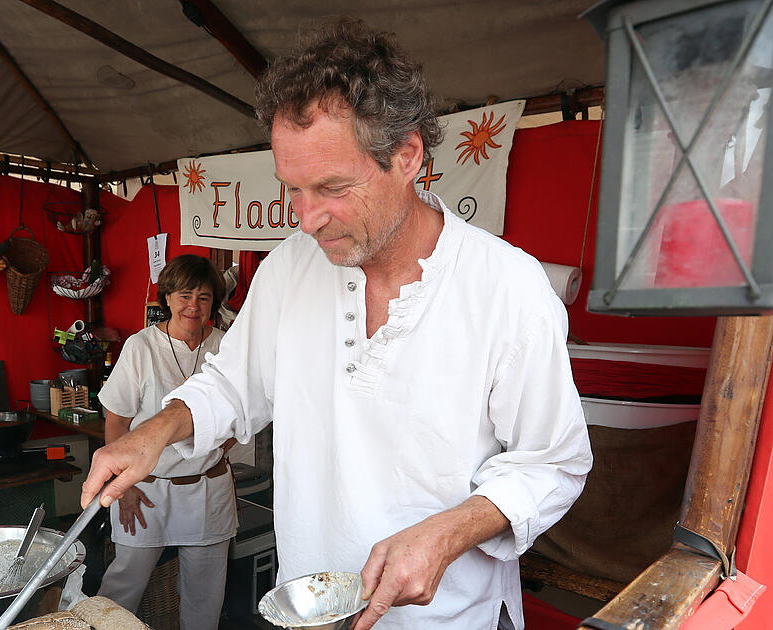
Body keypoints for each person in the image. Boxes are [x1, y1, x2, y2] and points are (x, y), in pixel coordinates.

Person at [80, 19, 592, 630]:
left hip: (451, 616)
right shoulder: (289, 268)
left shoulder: (507, 288)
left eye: (332, 187)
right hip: (313, 608)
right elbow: (231, 384)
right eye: (292, 189)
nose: (309, 218)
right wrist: (155, 430)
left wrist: (451, 532)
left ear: (406, 156)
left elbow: (552, 462)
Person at [95, 255, 236, 630]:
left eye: (204, 297)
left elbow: (241, 407)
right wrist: (122, 487)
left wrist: (222, 446)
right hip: (145, 490)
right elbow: (117, 421)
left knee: (205, 597)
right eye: (185, 295)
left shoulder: (226, 348)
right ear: (168, 298)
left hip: (207, 489)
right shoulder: (141, 347)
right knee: (122, 588)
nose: (193, 306)